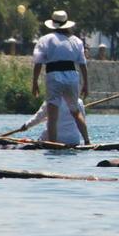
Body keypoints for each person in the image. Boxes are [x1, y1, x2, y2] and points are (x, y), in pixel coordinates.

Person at [32, 10, 90, 145]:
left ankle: (53, 144)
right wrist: (86, 84)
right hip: (72, 76)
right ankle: (87, 141)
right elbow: (83, 64)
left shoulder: (46, 39)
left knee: (53, 115)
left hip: (54, 75)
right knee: (75, 112)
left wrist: (34, 82)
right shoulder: (76, 41)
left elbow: (38, 63)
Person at [14, 98, 87, 145]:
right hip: (74, 140)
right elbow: (82, 120)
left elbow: (37, 118)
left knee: (40, 139)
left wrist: (26, 126)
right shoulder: (79, 102)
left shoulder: (51, 101)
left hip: (54, 141)